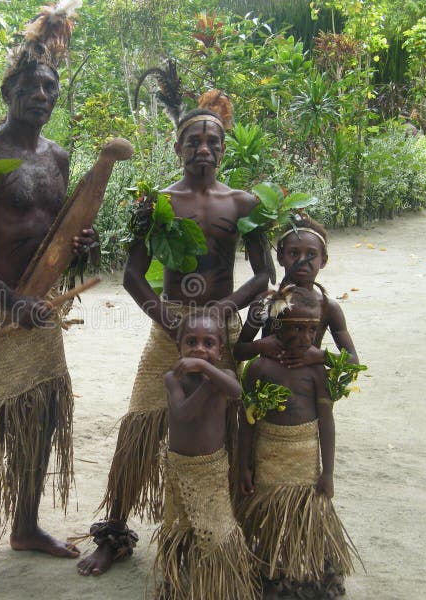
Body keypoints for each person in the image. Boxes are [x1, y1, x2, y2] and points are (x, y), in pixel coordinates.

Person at [77, 86, 271, 576]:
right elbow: (132, 274)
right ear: (178, 147)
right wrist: (165, 317)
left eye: (213, 142)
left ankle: (218, 535)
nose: (204, 149)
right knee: (140, 426)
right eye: (194, 142)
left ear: (224, 148)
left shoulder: (246, 204)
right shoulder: (158, 203)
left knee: (221, 429)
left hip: (220, 334)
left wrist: (226, 308)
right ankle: (116, 533)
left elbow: (263, 274)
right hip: (169, 332)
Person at [0, 3, 94, 599]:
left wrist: (82, 248)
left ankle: (26, 526)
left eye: (49, 86)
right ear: (9, 91)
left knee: (43, 418)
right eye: (29, 86)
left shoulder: (57, 158)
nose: (41, 94)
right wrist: (7, 300)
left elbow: (56, 242)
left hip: (43, 313)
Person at [237, 285, 359, 598]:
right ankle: (268, 573)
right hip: (268, 463)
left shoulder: (317, 370)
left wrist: (328, 472)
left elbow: (327, 422)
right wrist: (244, 466)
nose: (305, 338)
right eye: (295, 329)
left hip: (306, 465)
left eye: (311, 330)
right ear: (277, 325)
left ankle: (311, 576)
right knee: (269, 519)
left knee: (308, 520)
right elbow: (247, 422)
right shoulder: (260, 368)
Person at [154, 311, 259, 599]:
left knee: (216, 526)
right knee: (177, 525)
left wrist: (207, 371)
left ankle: (217, 585)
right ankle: (173, 582)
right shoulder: (172, 379)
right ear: (179, 348)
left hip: (212, 469)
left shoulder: (224, 376)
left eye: (208, 343)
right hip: (180, 467)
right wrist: (206, 384)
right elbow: (184, 414)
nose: (200, 349)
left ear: (220, 350)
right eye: (191, 342)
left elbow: (236, 391)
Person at [234, 213, 358, 367]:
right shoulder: (265, 303)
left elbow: (353, 360)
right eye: (294, 253)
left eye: (311, 254)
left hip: (307, 387)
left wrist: (320, 356)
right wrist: (260, 345)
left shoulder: (328, 307)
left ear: (323, 260)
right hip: (268, 384)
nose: (301, 261)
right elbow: (238, 351)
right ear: (280, 257)